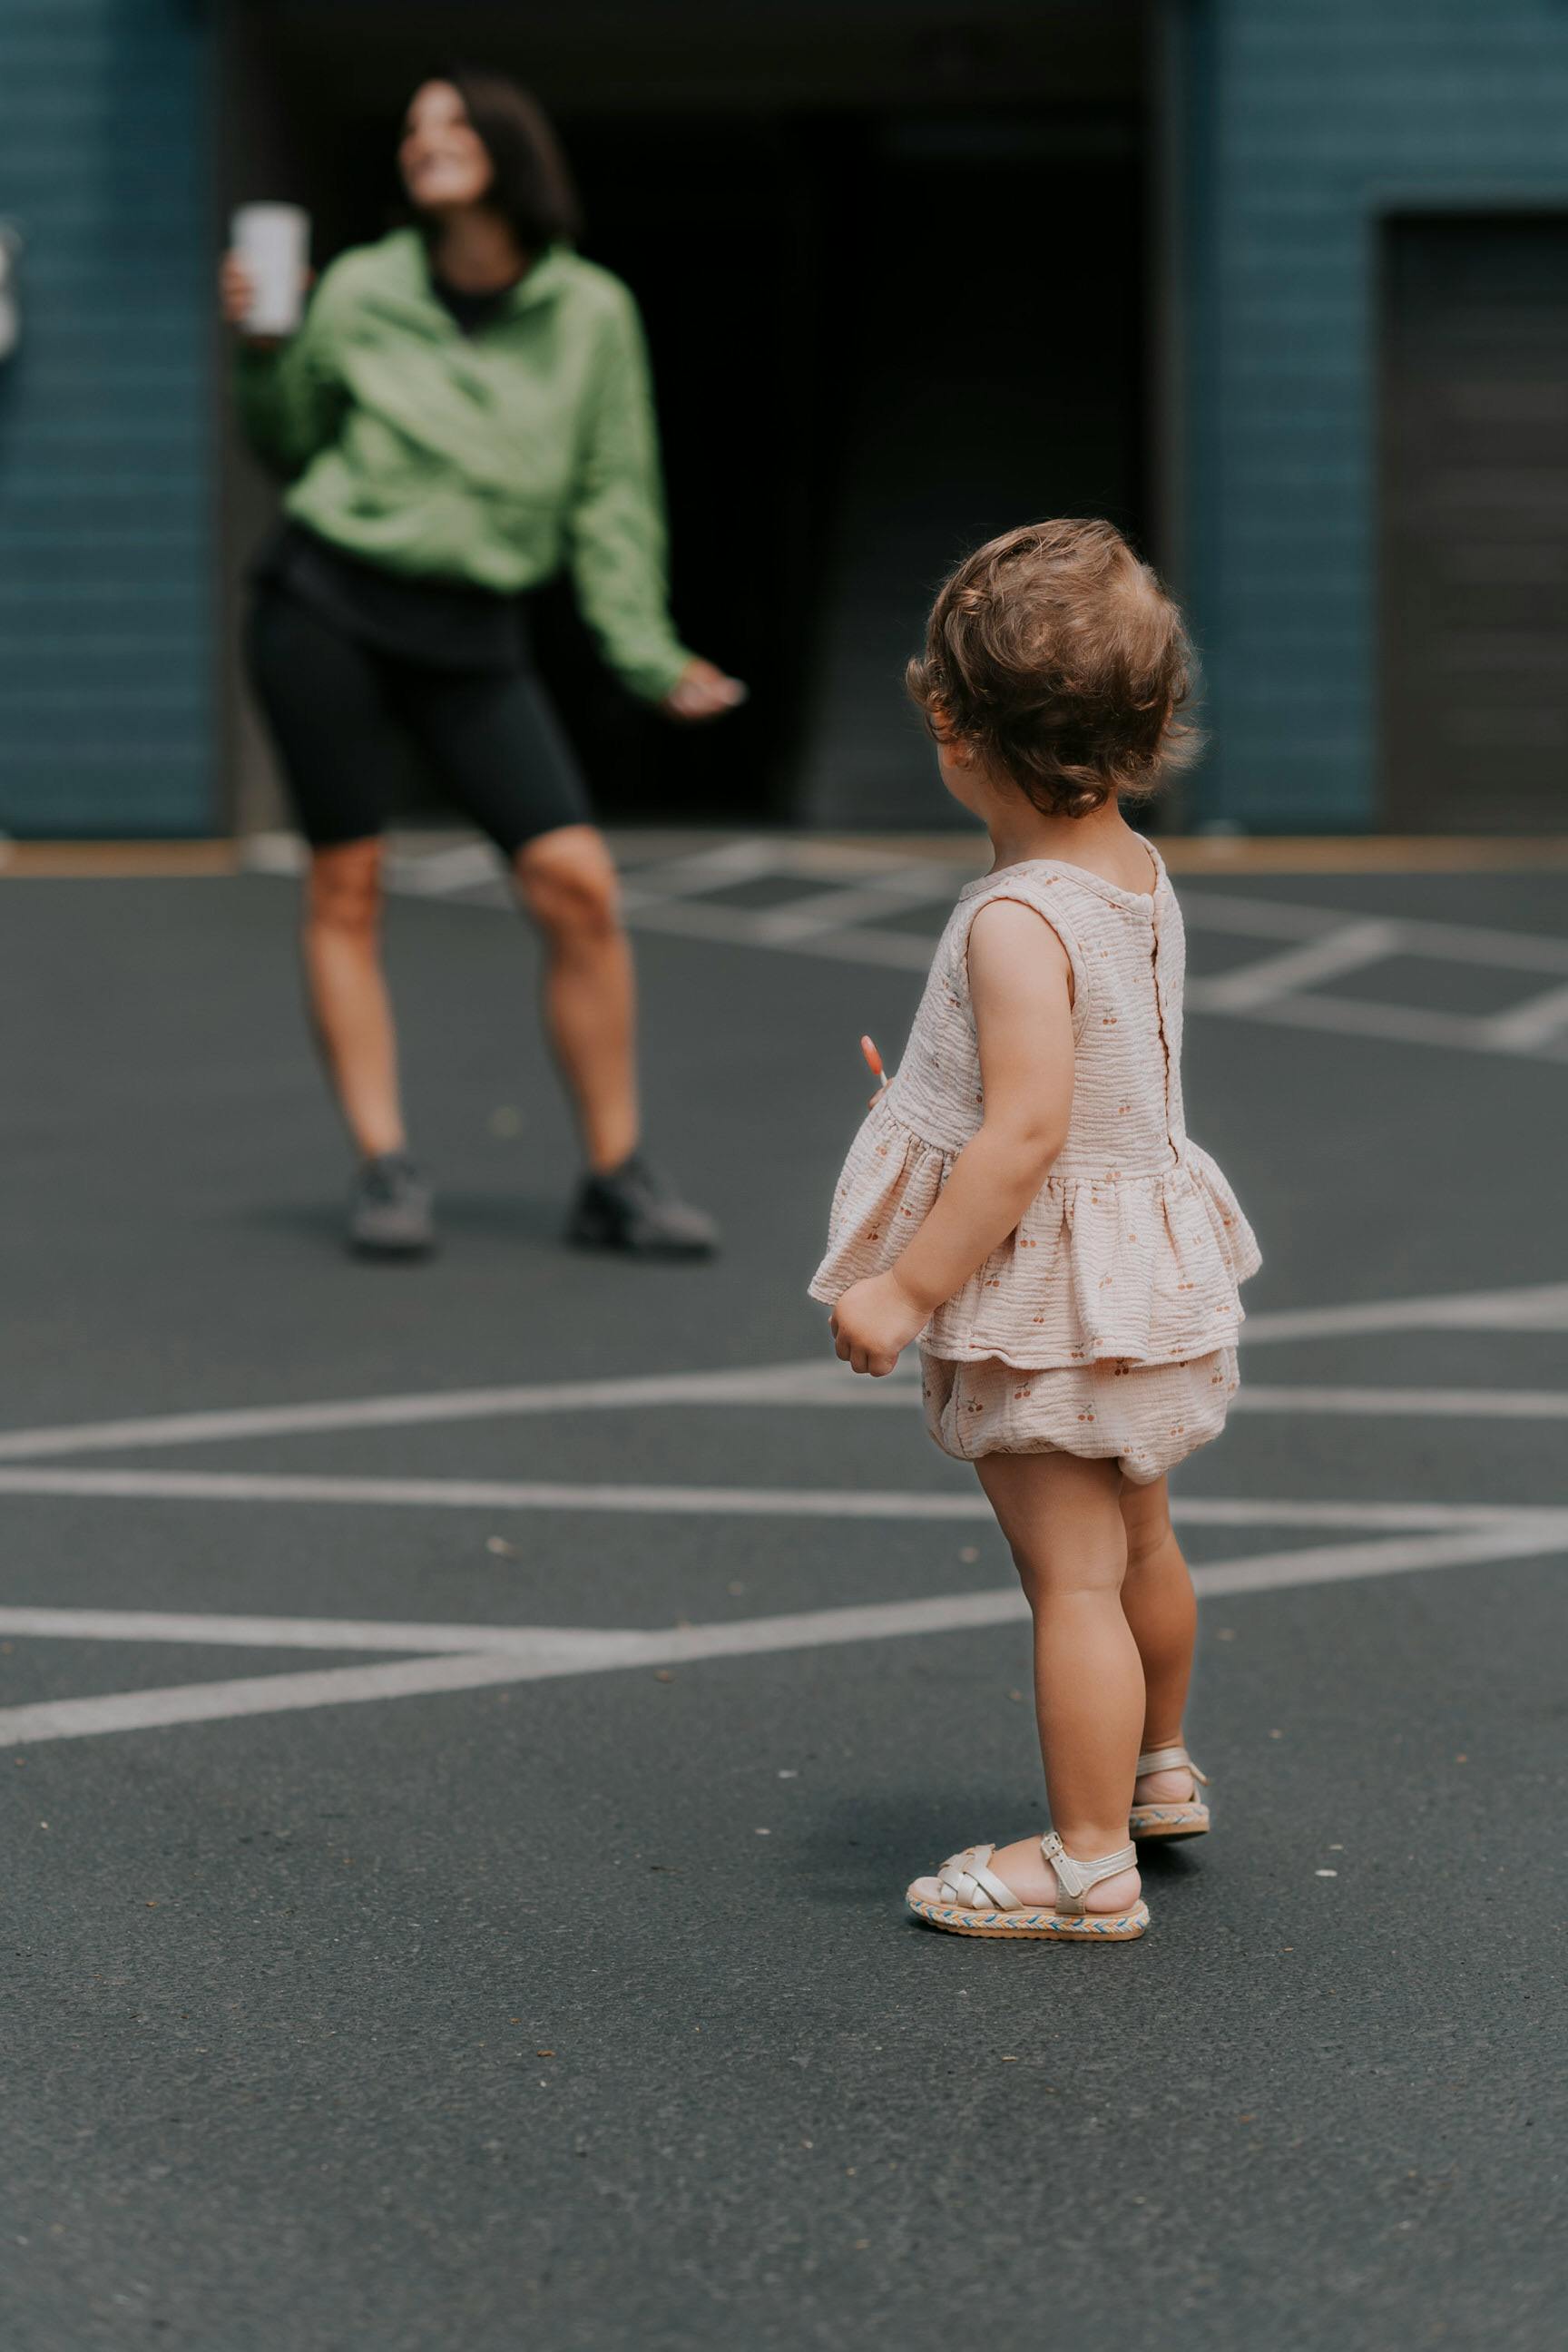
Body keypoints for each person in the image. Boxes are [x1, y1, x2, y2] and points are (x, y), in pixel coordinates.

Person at [810, 520, 1260, 1941]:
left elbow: (1022, 1137)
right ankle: (1155, 1770)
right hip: (1139, 1278)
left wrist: (902, 1288)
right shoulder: (1130, 869)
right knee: (1140, 1541)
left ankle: (1082, 1864)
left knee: (1069, 1578)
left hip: (1053, 1292)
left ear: (952, 725)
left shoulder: (1014, 918)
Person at [222, 71, 744, 1259]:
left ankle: (616, 1174)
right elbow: (285, 442)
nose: (426, 143)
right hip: (327, 610)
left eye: (452, 124)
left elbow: (616, 491)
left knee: (579, 888)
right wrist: (263, 347)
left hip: (476, 635)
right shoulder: (360, 287)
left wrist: (643, 649)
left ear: (511, 149)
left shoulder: (591, 314)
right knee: (346, 887)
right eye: (410, 129)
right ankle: (385, 1166)